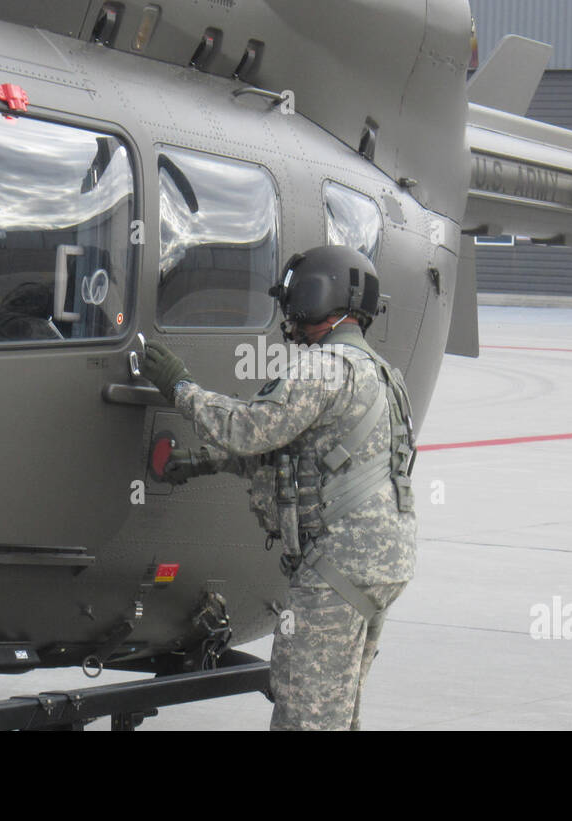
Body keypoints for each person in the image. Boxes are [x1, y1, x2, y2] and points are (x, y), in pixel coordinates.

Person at [139, 245, 417, 730]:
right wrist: (202, 462)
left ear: (313, 297)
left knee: (304, 714)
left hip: (336, 572)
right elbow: (304, 457)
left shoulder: (321, 368)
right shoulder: (382, 375)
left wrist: (180, 387)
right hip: (381, 568)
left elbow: (248, 430)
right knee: (337, 710)